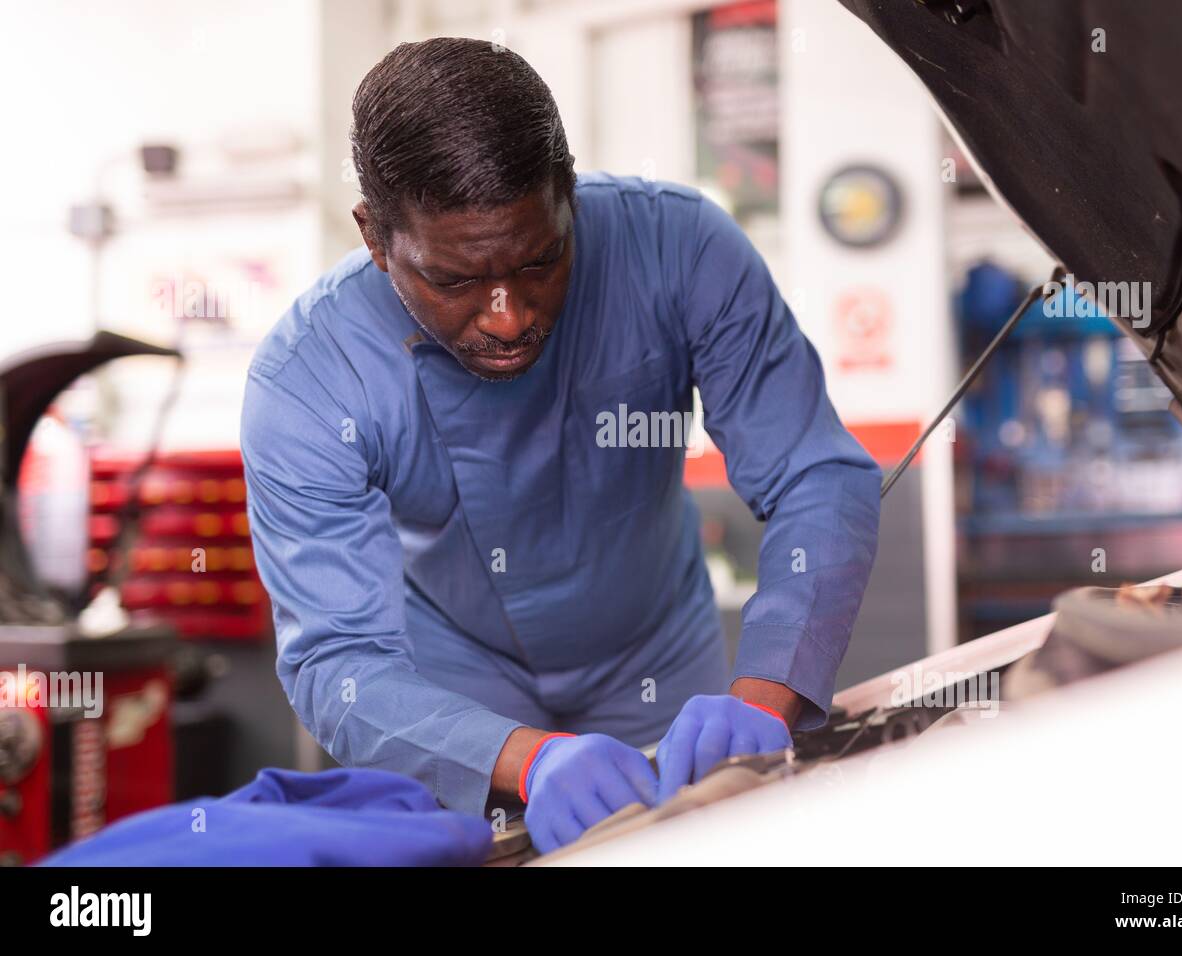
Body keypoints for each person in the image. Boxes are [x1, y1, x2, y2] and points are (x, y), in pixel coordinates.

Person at [240, 37, 881, 854]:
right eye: (454, 280)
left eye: (541, 260)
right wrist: (529, 759)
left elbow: (814, 476)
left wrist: (766, 692)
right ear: (374, 237)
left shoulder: (681, 251)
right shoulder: (309, 379)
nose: (508, 315)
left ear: (567, 194)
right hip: (448, 694)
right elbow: (336, 659)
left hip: (657, 652)